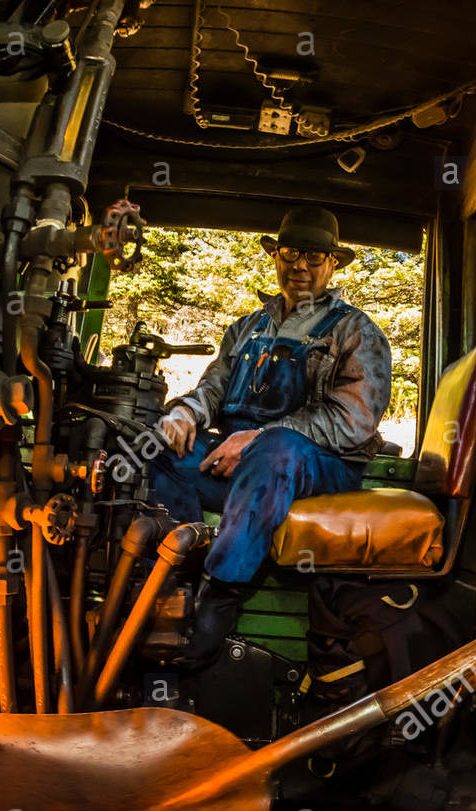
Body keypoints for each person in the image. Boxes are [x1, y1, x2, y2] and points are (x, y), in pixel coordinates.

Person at [150, 206, 392, 667]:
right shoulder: (246, 328)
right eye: (290, 252)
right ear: (276, 256)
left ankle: (219, 597)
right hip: (241, 460)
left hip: (317, 465)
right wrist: (184, 412)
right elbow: (213, 389)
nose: (300, 264)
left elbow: (353, 421)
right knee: (159, 448)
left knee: (276, 451)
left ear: (333, 263)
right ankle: (179, 575)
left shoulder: (355, 331)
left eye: (314, 255)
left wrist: (260, 437)